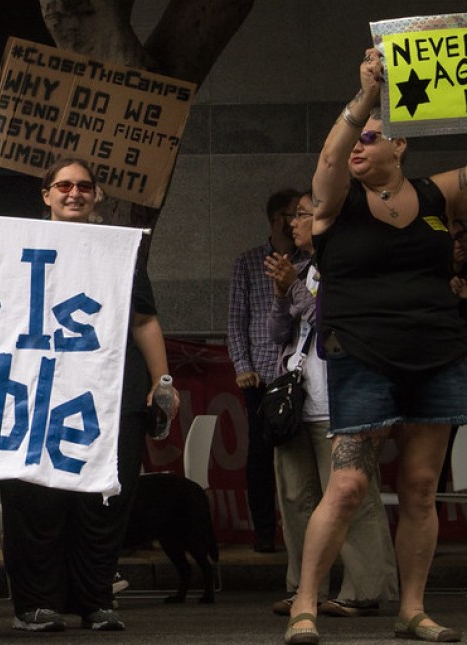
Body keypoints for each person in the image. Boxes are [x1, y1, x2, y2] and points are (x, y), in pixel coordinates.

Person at [283, 48, 467, 645]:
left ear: (402, 146)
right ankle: (305, 604)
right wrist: (365, 95)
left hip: (438, 354)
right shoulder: (336, 205)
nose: (359, 146)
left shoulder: (436, 198)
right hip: (362, 354)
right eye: (356, 137)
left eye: (373, 137)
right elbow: (330, 156)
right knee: (349, 486)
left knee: (418, 488)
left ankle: (411, 609)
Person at [0, 159, 175, 633]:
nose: (75, 193)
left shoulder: (117, 249)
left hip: (111, 393)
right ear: (46, 194)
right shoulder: (14, 246)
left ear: (98, 195)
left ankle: (95, 600)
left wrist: (162, 381)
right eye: (65, 185)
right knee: (36, 499)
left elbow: (144, 319)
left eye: (85, 186)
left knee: (104, 500)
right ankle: (36, 603)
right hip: (34, 393)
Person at [264, 193, 396, 621]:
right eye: (292, 216)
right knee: (296, 497)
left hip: (341, 402)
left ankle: (365, 588)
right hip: (298, 401)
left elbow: (335, 320)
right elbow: (276, 331)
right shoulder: (299, 269)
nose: (292, 224)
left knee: (352, 497)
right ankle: (307, 587)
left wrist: (297, 291)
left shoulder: (349, 271)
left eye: (301, 215)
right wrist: (284, 294)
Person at [228, 188, 304, 553]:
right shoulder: (248, 262)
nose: (301, 219)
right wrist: (243, 366)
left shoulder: (311, 260)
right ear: (278, 219)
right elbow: (236, 322)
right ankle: (263, 531)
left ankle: (303, 533)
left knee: (300, 454)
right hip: (261, 375)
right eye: (295, 213)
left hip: (300, 373)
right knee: (260, 455)